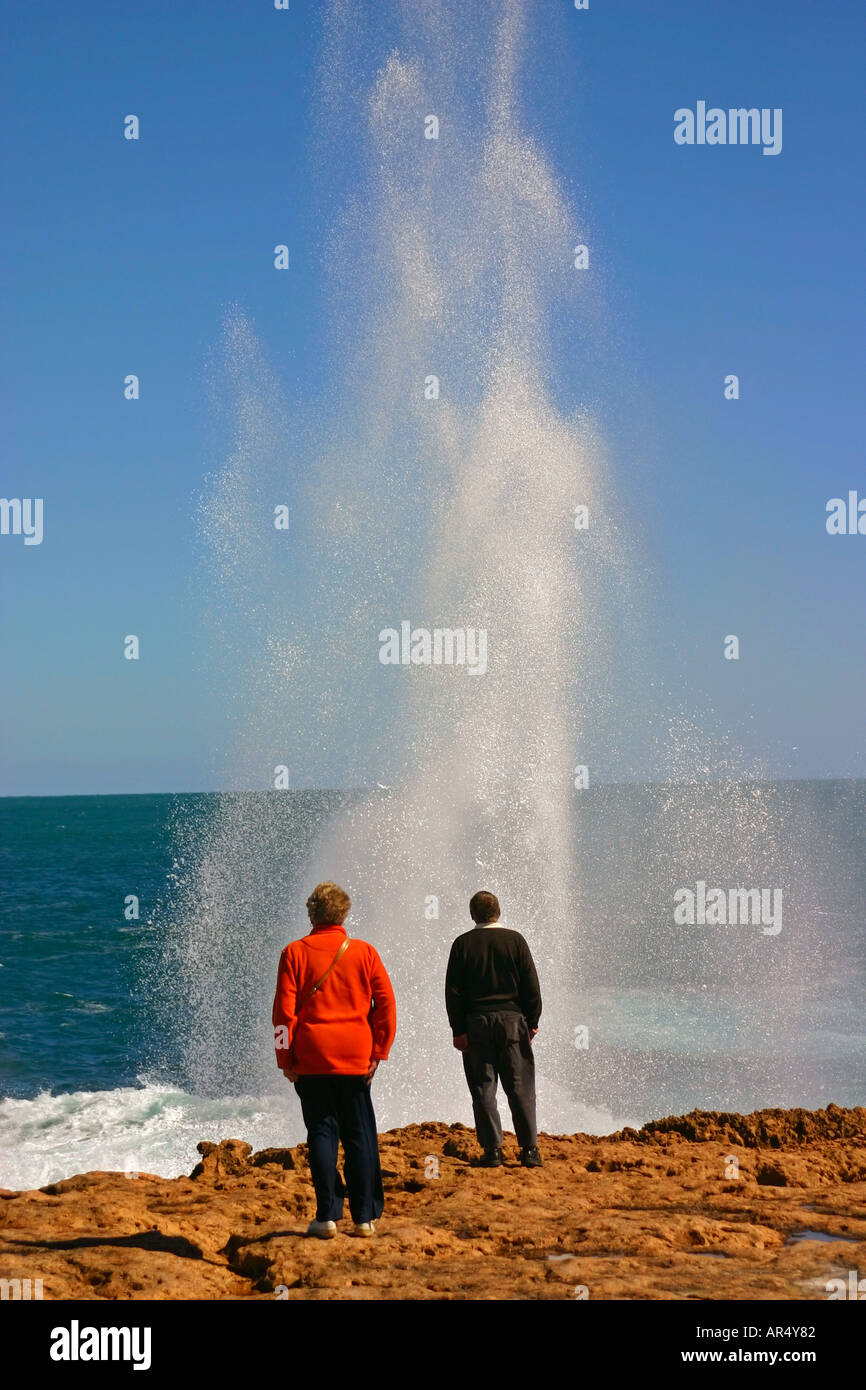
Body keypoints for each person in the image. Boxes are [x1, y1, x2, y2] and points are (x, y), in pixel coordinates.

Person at [272, 881, 396, 1238]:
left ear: (312, 913)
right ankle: (364, 1217)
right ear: (344, 913)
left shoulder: (294, 953)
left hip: (312, 1058)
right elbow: (385, 1004)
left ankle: (327, 1215)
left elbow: (283, 1013)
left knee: (321, 1134)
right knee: (359, 1136)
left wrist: (285, 1057)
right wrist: (379, 1051)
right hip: (356, 1058)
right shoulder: (364, 952)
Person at [445, 889, 542, 1168]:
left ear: (473, 914)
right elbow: (531, 987)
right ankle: (530, 1151)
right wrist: (532, 1023)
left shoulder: (462, 944)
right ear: (498, 911)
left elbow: (453, 992)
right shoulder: (515, 940)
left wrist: (458, 1029)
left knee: (483, 1088)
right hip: (513, 1022)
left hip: (477, 1024)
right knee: (520, 1086)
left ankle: (493, 1151)